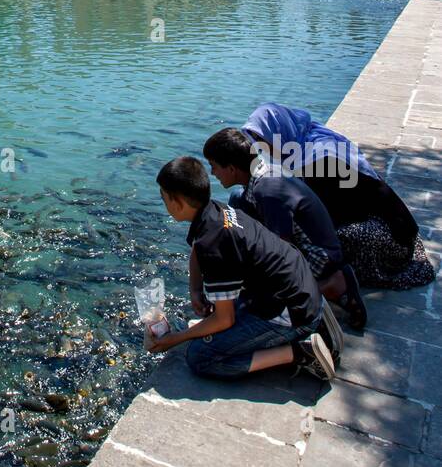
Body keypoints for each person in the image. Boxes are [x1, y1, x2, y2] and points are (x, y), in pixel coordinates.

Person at [147, 156, 334, 382]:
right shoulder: (216, 211)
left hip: (292, 311)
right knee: (215, 316)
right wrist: (195, 290)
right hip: (300, 289)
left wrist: (175, 339)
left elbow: (224, 320)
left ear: (177, 203)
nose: (164, 203)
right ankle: (308, 329)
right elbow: (197, 247)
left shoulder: (214, 244)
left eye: (164, 198)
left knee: (200, 356)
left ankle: (299, 353)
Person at [244, 103, 435, 291]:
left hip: (395, 238)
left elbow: (341, 212)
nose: (265, 150)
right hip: (393, 226)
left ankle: (340, 279)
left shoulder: (319, 161)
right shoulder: (309, 142)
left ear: (279, 133)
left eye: (265, 141)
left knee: (325, 243)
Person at [202, 126, 365, 334]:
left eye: (214, 166)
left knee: (260, 304)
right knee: (236, 201)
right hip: (302, 245)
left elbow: (281, 254)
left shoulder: (267, 190)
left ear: (232, 168)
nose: (212, 173)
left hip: (320, 255)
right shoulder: (260, 177)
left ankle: (333, 284)